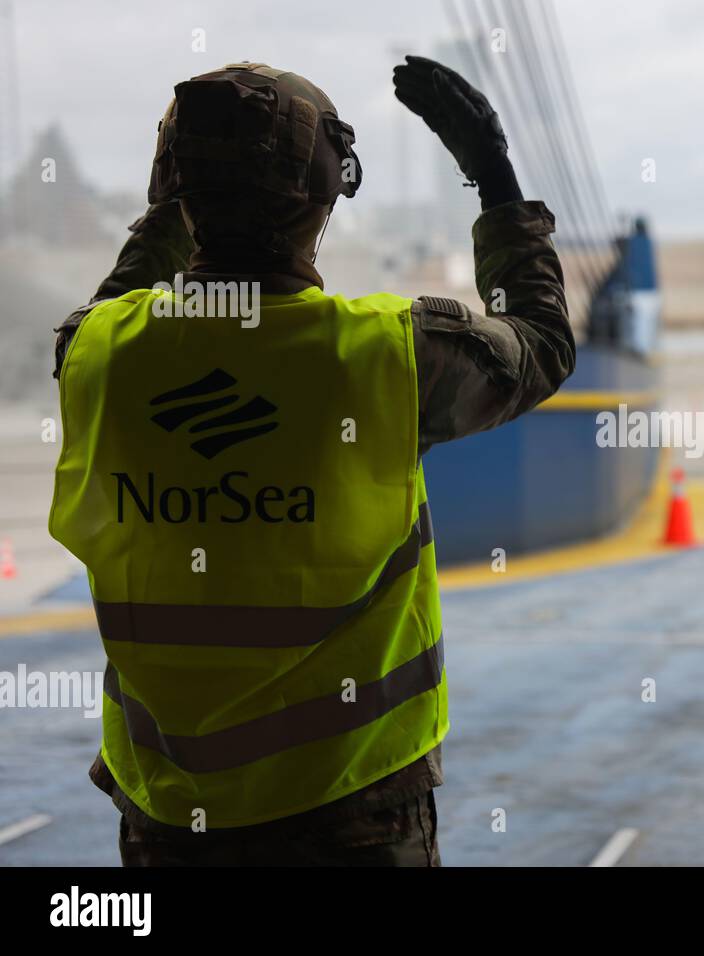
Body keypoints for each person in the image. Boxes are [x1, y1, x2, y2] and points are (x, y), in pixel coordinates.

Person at [48, 59, 573, 866]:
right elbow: (540, 342)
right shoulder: (387, 353)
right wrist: (495, 181)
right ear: (324, 200)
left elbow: (117, 300)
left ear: (174, 193)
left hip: (167, 814)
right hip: (350, 812)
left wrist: (177, 198)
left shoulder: (100, 355)